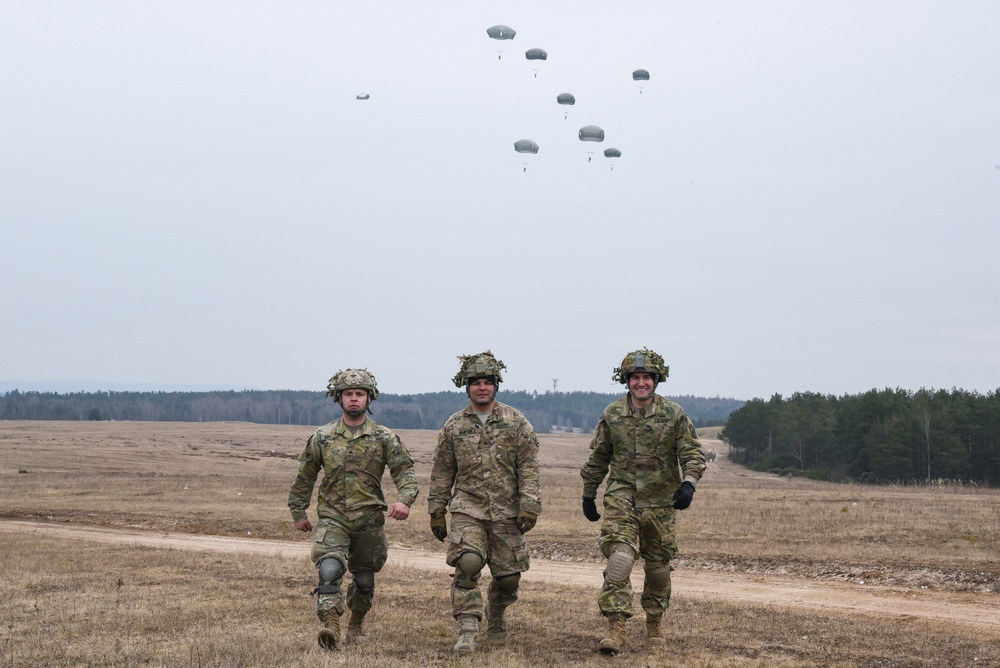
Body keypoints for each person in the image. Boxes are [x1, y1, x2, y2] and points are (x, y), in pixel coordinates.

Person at [580, 348, 706, 655]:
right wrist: (589, 493)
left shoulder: (674, 414)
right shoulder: (612, 414)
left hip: (661, 501)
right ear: (626, 381)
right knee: (619, 560)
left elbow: (692, 453)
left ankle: (654, 622)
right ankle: (615, 626)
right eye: (635, 377)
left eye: (646, 377)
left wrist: (689, 484)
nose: (640, 383)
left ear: (656, 380)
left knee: (658, 569)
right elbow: (598, 457)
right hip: (622, 496)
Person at [287, 368, 418, 651]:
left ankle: (356, 625)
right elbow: (305, 476)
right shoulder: (322, 437)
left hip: (369, 519)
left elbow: (405, 472)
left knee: (364, 578)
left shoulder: (384, 437)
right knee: (330, 567)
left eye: (360, 394)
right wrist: (298, 511)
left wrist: (404, 500)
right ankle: (330, 623)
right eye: (349, 394)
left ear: (369, 398)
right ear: (339, 398)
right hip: (333, 516)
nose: (354, 399)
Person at [428, 351, 542, 653]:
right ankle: (467, 628)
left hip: (508, 511)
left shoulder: (516, 422)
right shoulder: (454, 426)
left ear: (496, 386)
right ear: (467, 387)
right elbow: (442, 471)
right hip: (468, 509)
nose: (482, 387)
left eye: (488, 382)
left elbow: (528, 468)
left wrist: (529, 505)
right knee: (468, 564)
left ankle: (497, 613)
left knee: (509, 578)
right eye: (476, 382)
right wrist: (437, 510)